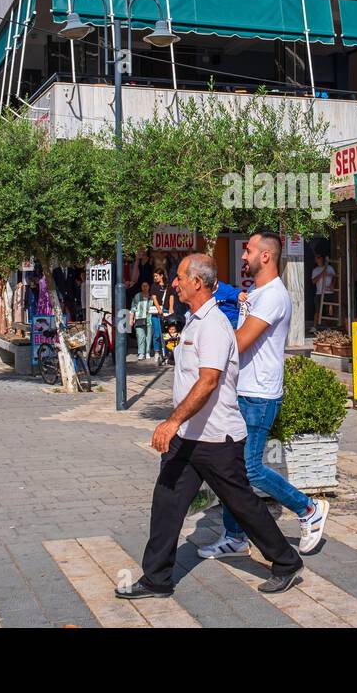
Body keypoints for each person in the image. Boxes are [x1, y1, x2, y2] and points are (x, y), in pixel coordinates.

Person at [119, 254, 303, 600]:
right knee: (167, 503)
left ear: (197, 283)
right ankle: (156, 578)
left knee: (243, 505)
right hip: (188, 438)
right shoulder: (193, 320)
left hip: (218, 439)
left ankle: (286, 562)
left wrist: (172, 421)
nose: (175, 283)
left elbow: (208, 382)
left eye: (180, 278)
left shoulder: (215, 325)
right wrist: (179, 426)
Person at [197, 232, 329, 561]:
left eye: (249, 251)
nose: (244, 256)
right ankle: (234, 536)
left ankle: (309, 508)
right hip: (244, 391)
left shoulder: (273, 296)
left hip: (259, 395)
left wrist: (208, 339)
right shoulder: (256, 293)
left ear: (266, 256)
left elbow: (239, 343)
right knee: (230, 467)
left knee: (250, 468)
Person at [149, 269, 173, 365]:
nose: (155, 278)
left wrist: (171, 308)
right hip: (156, 312)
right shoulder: (154, 286)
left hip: (166, 311)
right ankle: (157, 352)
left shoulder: (168, 286)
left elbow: (171, 297)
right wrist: (159, 309)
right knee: (157, 333)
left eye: (156, 276)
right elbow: (154, 298)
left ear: (161, 275)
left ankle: (167, 353)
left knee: (166, 333)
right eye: (154, 276)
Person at [131, 280, 153, 361]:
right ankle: (141, 353)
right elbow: (133, 308)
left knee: (148, 336)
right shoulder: (137, 296)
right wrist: (131, 319)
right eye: (143, 286)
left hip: (149, 319)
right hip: (139, 318)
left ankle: (147, 352)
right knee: (141, 336)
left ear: (149, 287)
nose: (144, 287)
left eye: (146, 285)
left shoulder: (151, 297)